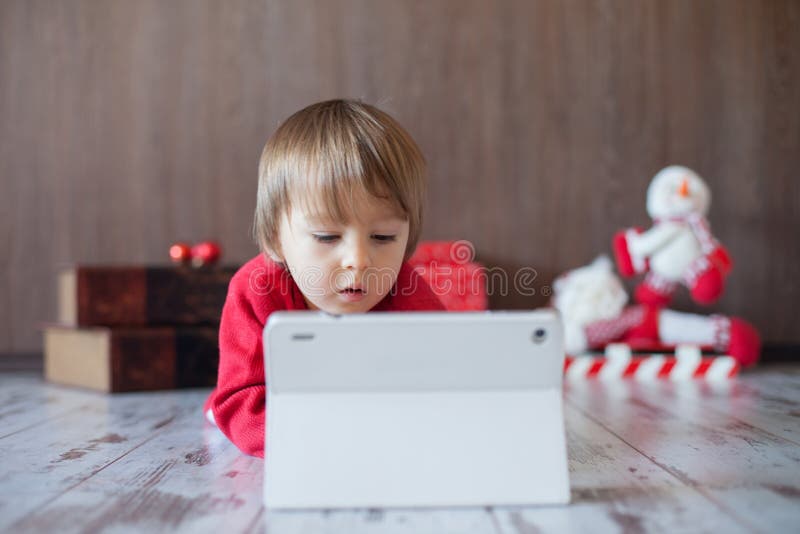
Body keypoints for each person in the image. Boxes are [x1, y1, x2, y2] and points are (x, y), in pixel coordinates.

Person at [204, 99, 445, 457]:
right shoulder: (258, 288)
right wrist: (329, 438)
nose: (359, 261)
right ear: (274, 239)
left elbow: (447, 378)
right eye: (327, 237)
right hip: (295, 422)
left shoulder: (407, 290)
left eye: (383, 238)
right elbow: (242, 404)